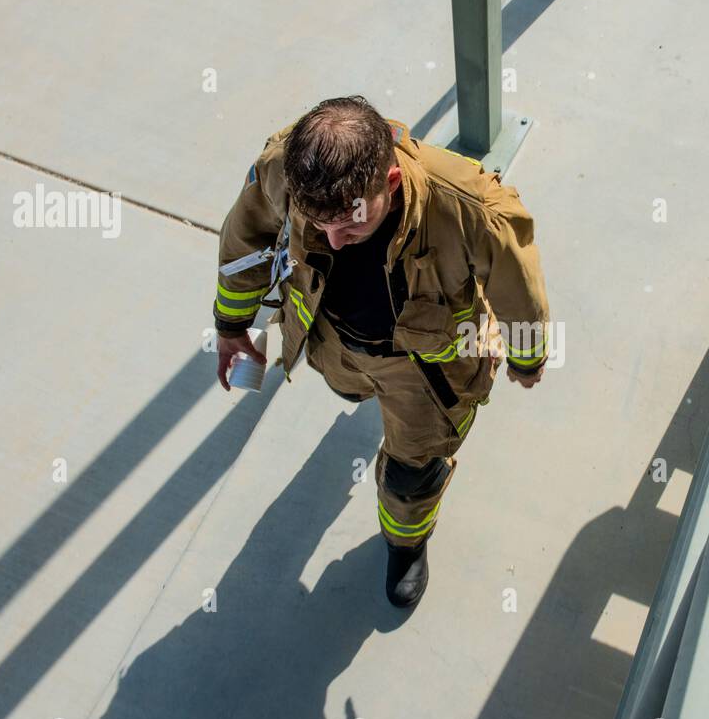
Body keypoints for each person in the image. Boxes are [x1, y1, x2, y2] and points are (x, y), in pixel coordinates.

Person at [212, 96, 550, 607]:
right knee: (350, 388)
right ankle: (362, 394)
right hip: (332, 344)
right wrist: (233, 325)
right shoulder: (287, 168)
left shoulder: (471, 209)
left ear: (390, 184)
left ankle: (405, 541)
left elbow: (518, 290)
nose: (334, 240)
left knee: (413, 471)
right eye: (318, 225)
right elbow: (246, 240)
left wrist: (527, 357)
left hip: (425, 371)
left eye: (350, 224)